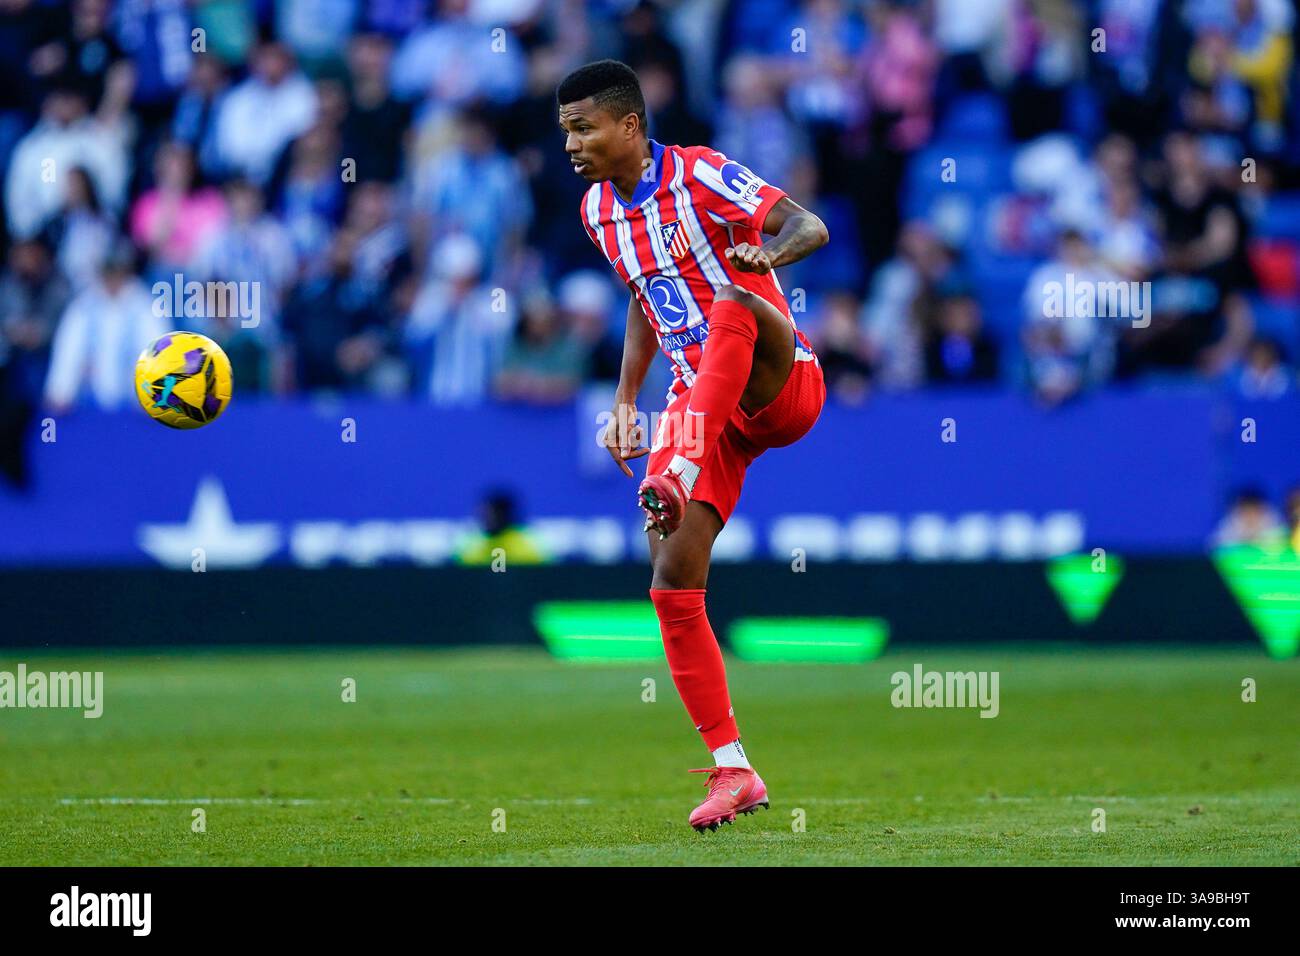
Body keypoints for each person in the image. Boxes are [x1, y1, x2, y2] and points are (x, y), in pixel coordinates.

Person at [557, 60, 829, 832]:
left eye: (584, 128)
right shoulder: (597, 214)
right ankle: (733, 768)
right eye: (566, 131)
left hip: (778, 382)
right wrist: (621, 401)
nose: (572, 144)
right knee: (671, 580)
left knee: (733, 308)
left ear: (629, 125)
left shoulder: (704, 174)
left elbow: (809, 225)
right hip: (696, 401)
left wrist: (763, 258)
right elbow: (646, 299)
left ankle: (675, 467)